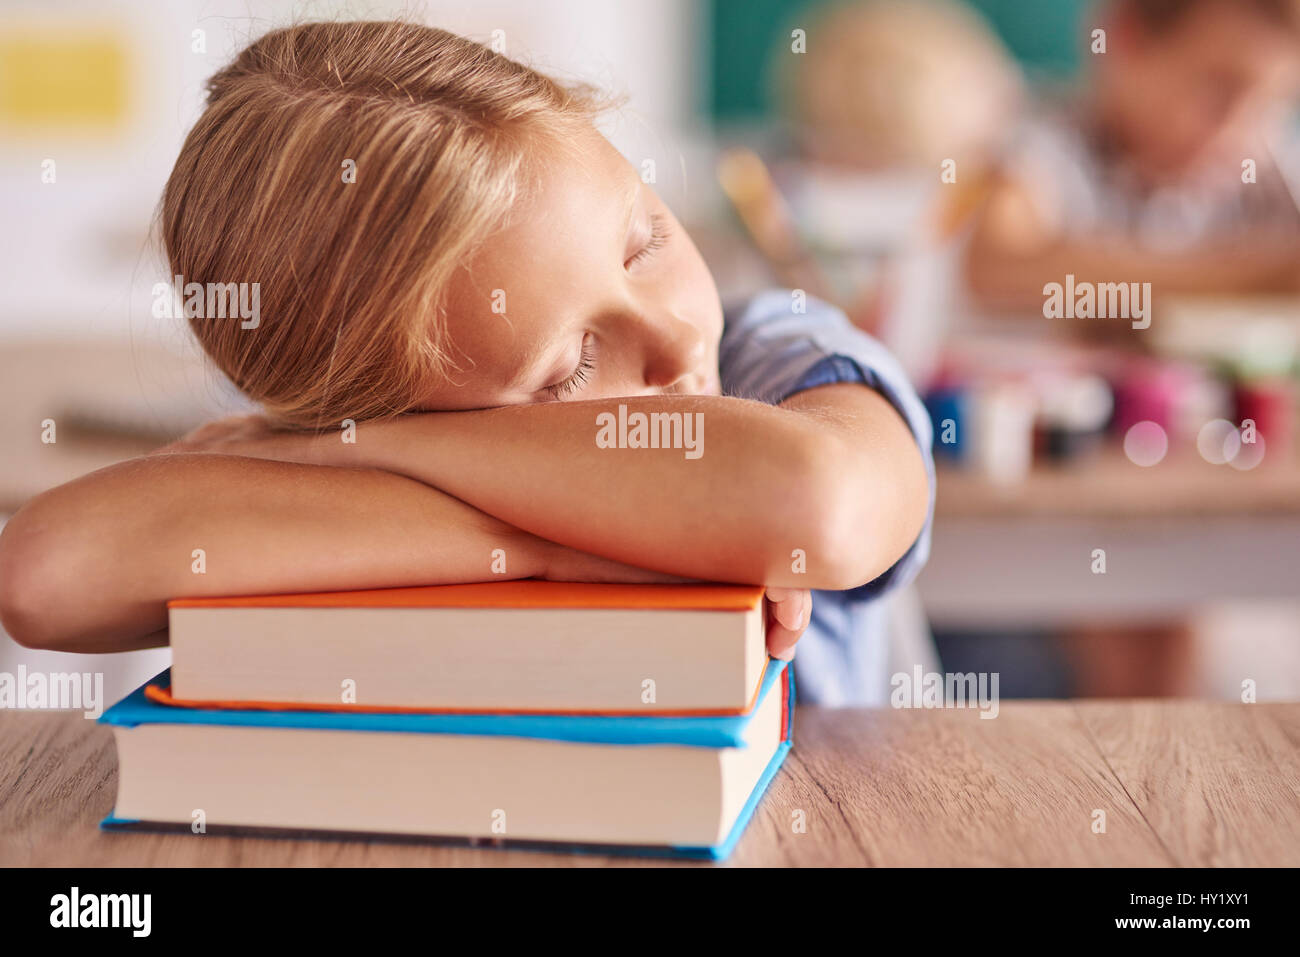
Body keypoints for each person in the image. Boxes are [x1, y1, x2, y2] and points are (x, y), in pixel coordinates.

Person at [0, 20, 934, 706]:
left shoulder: (784, 355)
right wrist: (554, 542)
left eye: (644, 241)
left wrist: (347, 457)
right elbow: (43, 575)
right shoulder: (392, 450)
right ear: (412, 411)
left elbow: (818, 502)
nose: (682, 341)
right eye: (568, 368)